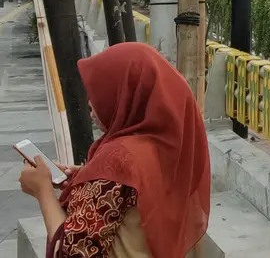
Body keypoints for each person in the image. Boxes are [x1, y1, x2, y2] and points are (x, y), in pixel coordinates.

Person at [19, 43, 210, 257]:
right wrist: (87, 177)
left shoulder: (118, 158)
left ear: (127, 94)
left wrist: (42, 190)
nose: (91, 102)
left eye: (101, 91)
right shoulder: (164, 147)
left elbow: (72, 253)